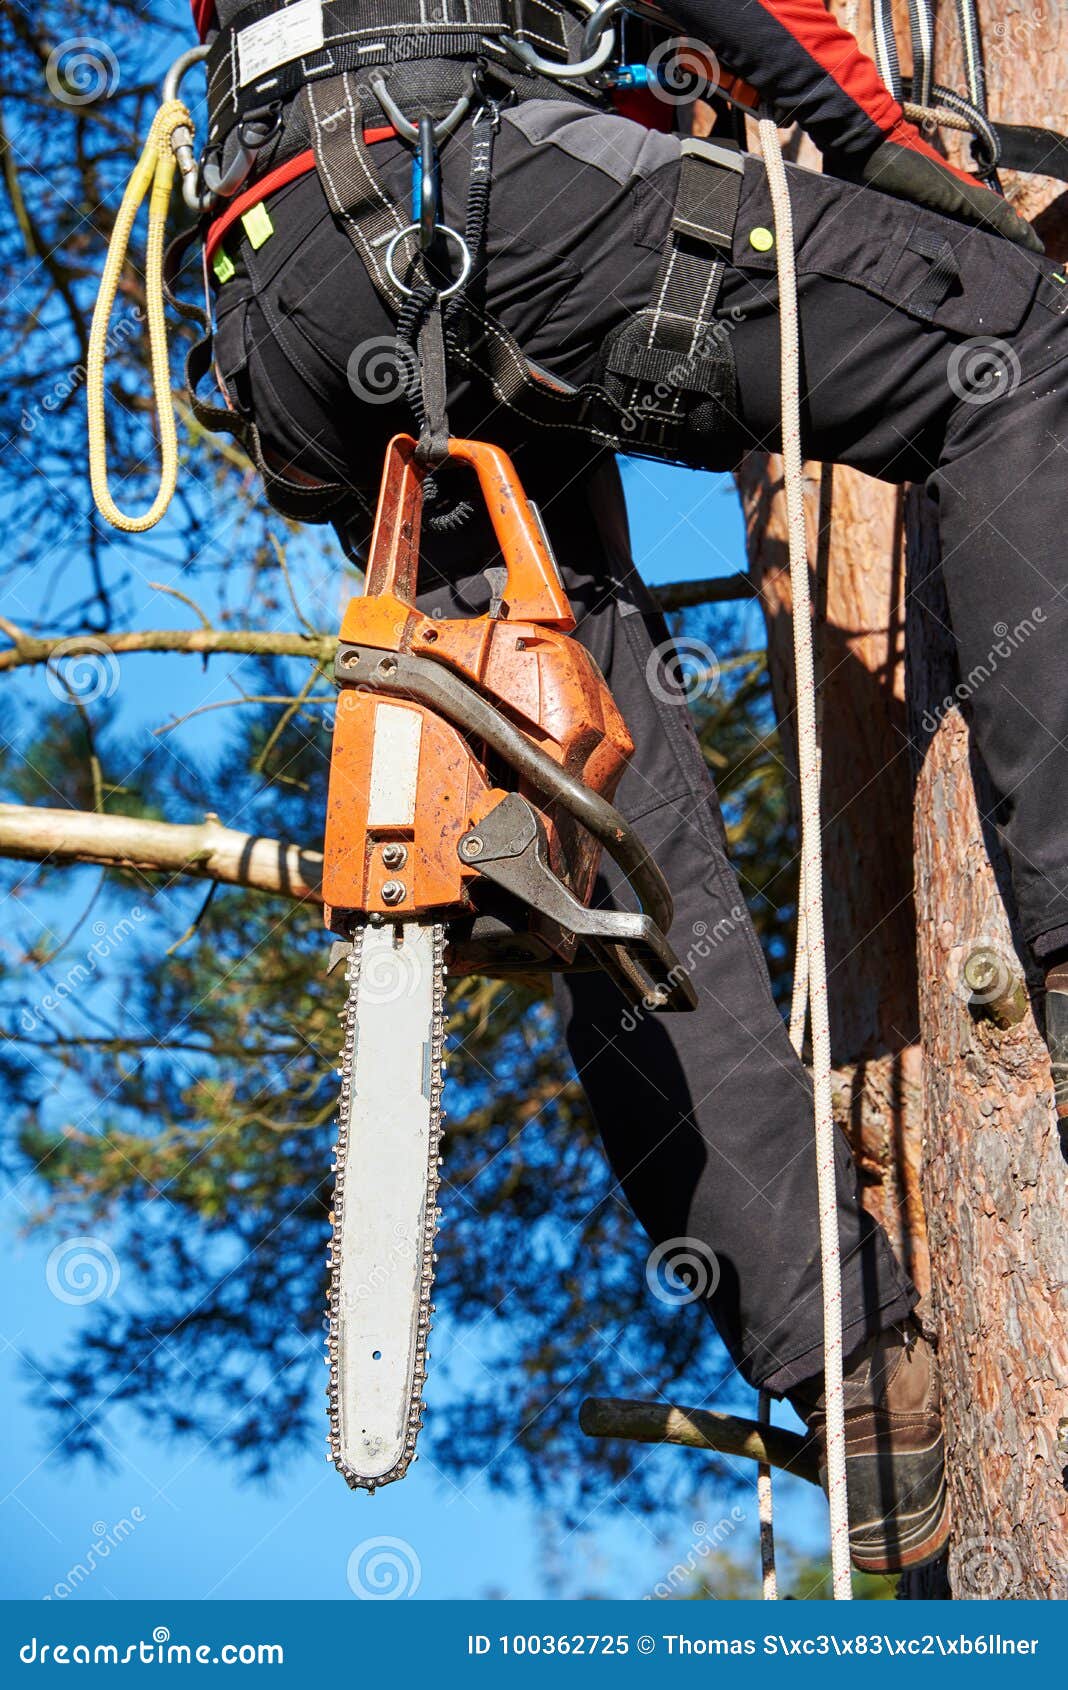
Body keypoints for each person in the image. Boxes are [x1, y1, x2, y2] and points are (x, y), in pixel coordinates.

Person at [185, 0, 1068, 1572]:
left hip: (293, 297)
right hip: (463, 186)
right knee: (1005, 335)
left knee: (585, 782)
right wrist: (889, 149)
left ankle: (846, 1363)